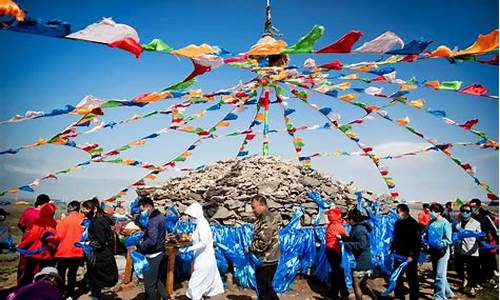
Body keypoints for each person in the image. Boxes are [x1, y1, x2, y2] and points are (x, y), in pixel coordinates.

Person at [179, 202, 224, 300]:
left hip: (204, 261)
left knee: (194, 286)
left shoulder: (202, 225)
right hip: (201, 259)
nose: (190, 218)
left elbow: (203, 242)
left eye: (191, 216)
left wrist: (188, 249)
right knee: (200, 287)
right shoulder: (200, 224)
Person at [81, 199, 118, 300]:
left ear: (95, 209)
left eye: (87, 208)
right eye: (83, 208)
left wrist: (86, 244)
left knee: (94, 283)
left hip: (98, 257)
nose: (84, 210)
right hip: (103, 255)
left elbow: (99, 241)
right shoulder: (103, 220)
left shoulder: (96, 223)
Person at [247, 195, 280, 300]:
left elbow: (263, 243)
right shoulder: (262, 218)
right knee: (265, 289)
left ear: (262, 205)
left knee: (265, 290)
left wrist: (250, 248)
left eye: (254, 207)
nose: (253, 211)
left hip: (268, 260)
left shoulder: (266, 220)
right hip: (265, 259)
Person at [17, 202, 58, 287]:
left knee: (28, 274)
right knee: (44, 276)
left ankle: (22, 291)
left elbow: (32, 236)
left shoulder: (38, 221)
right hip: (47, 254)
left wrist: (21, 246)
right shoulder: (54, 223)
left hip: (34, 252)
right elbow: (54, 238)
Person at [136, 197, 169, 300]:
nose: (142, 213)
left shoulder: (153, 220)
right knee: (157, 280)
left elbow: (152, 240)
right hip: (161, 253)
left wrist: (140, 244)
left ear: (148, 207)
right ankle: (166, 298)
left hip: (153, 255)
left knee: (149, 285)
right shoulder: (160, 216)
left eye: (142, 210)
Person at [344, 209, 377, 300]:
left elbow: (361, 245)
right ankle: (375, 297)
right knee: (363, 282)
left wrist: (346, 244)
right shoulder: (359, 228)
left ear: (352, 220)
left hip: (362, 260)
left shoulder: (359, 230)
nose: (347, 222)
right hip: (364, 258)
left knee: (356, 283)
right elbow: (355, 240)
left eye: (348, 220)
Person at [390, 203, 421, 300]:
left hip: (409, 256)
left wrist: (411, 255)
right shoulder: (398, 223)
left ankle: (414, 298)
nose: (398, 214)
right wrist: (392, 247)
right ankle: (399, 296)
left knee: (412, 279)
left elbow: (416, 241)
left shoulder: (413, 224)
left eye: (399, 212)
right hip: (399, 254)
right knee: (397, 276)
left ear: (406, 212)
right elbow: (396, 237)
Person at [55, 201, 84, 299]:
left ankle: (60, 292)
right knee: (72, 274)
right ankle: (70, 294)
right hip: (77, 251)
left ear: (70, 208)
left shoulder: (64, 220)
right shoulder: (83, 220)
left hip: (63, 251)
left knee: (61, 274)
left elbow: (58, 236)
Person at [453, 204, 481, 296]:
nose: (465, 213)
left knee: (472, 270)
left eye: (467, 211)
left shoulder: (476, 223)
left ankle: (472, 288)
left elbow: (480, 237)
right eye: (463, 211)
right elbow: (452, 232)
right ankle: (464, 279)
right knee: (458, 267)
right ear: (460, 212)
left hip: (471, 250)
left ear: (470, 212)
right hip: (459, 249)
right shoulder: (456, 222)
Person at [427, 203, 454, 300]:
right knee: (438, 274)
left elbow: (448, 239)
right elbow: (427, 233)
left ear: (438, 212)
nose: (430, 213)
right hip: (433, 250)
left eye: (432, 211)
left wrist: (441, 243)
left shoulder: (445, 223)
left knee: (439, 274)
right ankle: (449, 293)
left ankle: (439, 296)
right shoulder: (431, 222)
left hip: (442, 252)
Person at [469, 198, 499, 287]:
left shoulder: (485, 216)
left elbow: (494, 230)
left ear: (479, 206)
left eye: (474, 206)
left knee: (487, 263)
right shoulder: (470, 216)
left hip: (484, 244)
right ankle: (480, 280)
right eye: (471, 206)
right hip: (473, 243)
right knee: (476, 263)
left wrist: (498, 242)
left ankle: (490, 279)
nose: (472, 208)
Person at [325, 207, 349, 300]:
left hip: (329, 250)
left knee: (337, 272)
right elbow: (346, 237)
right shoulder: (339, 226)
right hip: (335, 251)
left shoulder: (330, 225)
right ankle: (340, 294)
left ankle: (338, 293)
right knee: (338, 273)